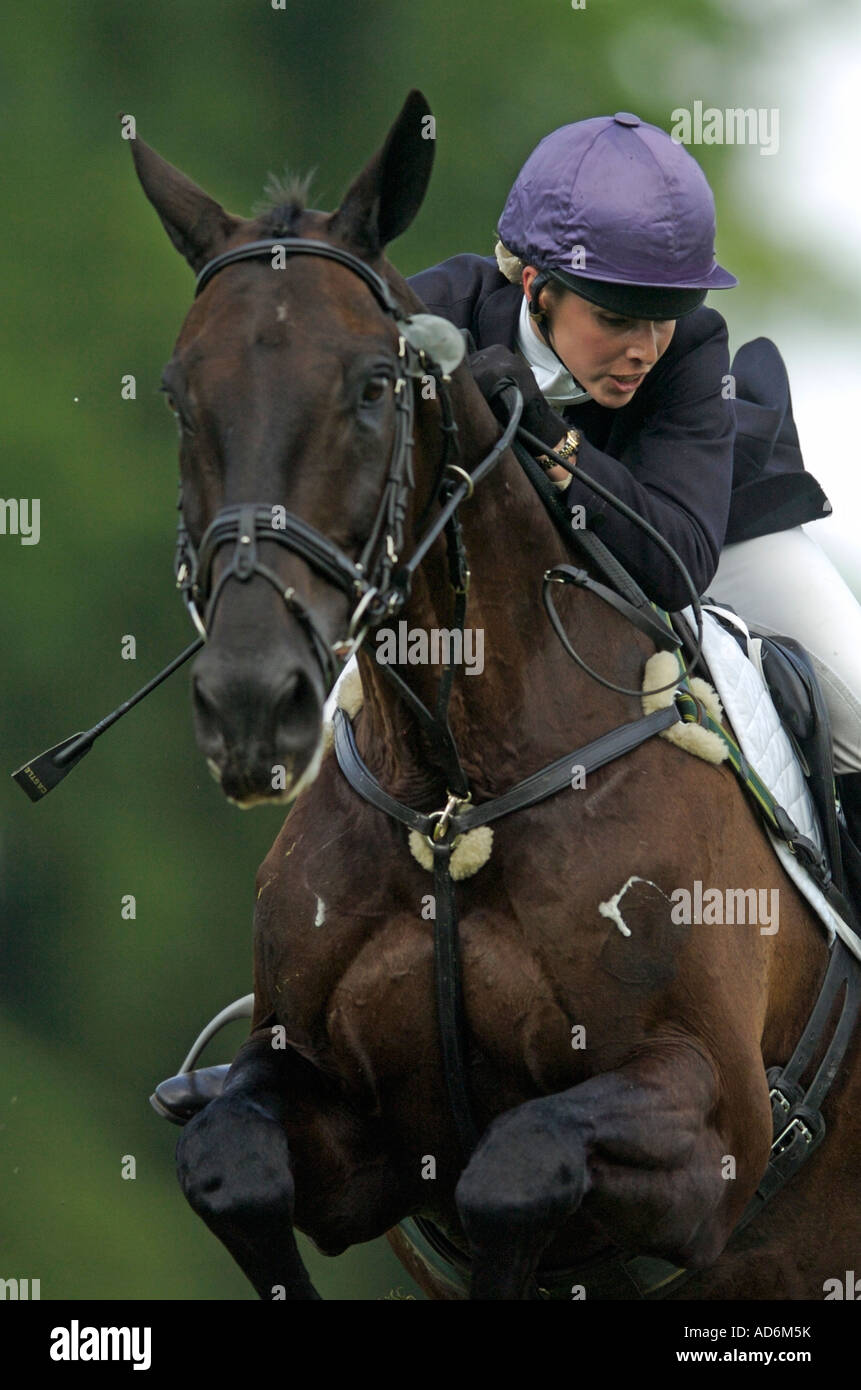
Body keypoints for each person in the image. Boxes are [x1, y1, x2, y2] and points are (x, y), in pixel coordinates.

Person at [408, 111, 861, 858]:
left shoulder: (691, 350)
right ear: (534, 286)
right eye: (616, 319)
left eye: (665, 319)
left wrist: (552, 442)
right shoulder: (440, 314)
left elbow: (674, 563)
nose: (644, 350)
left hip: (718, 528)